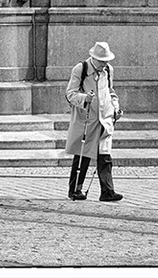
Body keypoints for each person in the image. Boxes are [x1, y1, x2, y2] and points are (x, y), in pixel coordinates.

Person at [65, 41, 123, 202]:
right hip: (86, 120)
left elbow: (110, 92)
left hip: (105, 118)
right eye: (101, 61)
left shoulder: (108, 70)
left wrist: (116, 108)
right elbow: (70, 94)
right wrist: (85, 98)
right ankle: (75, 189)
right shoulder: (80, 69)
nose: (104, 64)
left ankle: (107, 191)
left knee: (105, 155)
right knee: (82, 155)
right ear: (93, 58)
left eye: (106, 61)